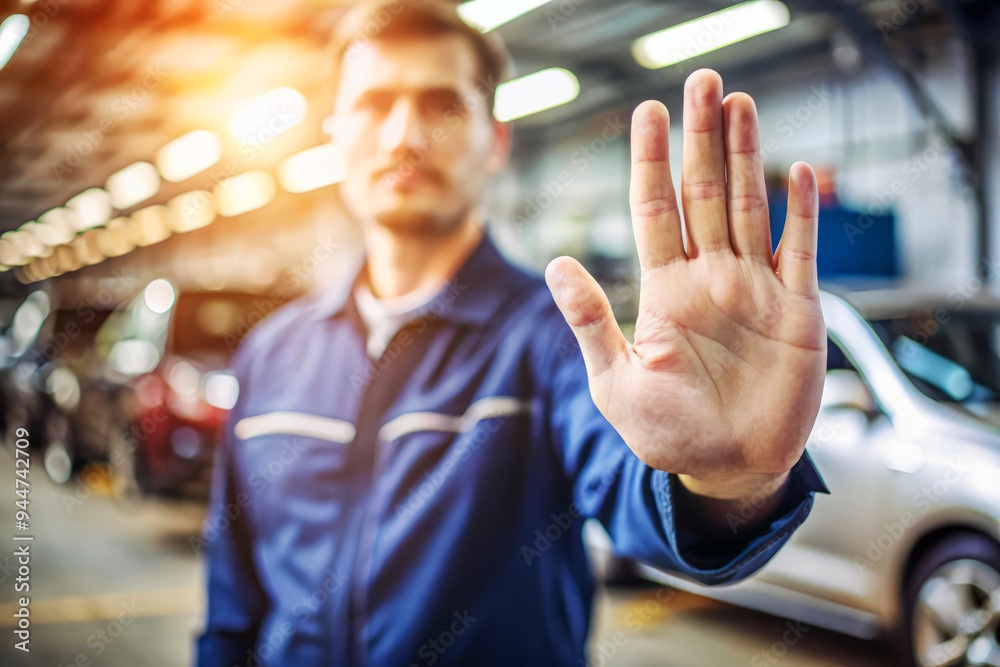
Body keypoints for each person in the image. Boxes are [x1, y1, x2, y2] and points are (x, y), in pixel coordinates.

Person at [196, 1, 830, 665]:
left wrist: (726, 480)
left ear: (495, 142)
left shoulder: (555, 341)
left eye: (442, 105)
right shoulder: (270, 355)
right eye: (373, 105)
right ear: (334, 136)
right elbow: (231, 609)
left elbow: (631, 485)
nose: (403, 134)